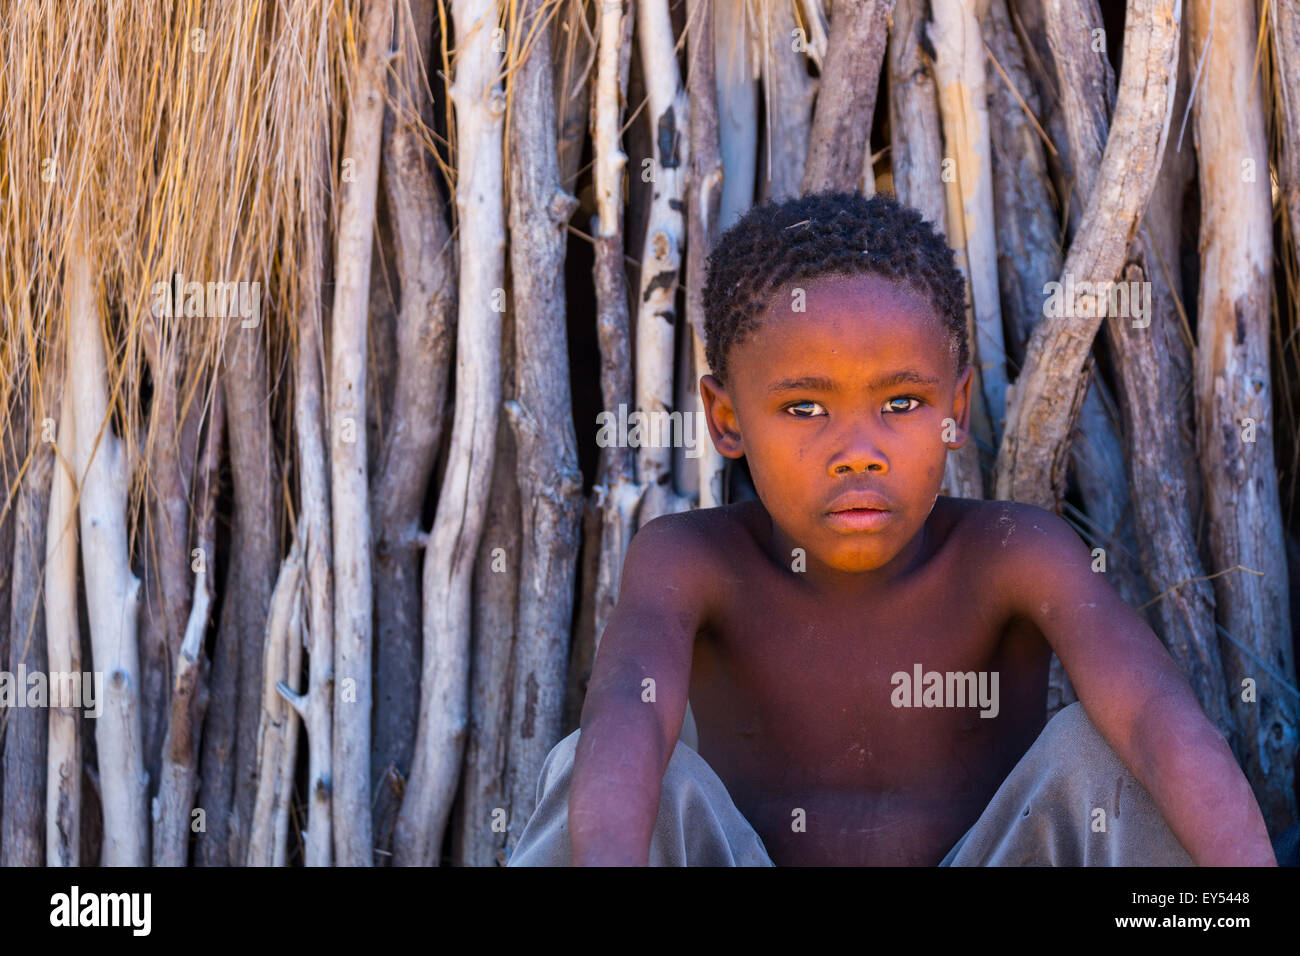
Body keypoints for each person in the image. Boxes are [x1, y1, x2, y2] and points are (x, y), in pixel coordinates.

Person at [509, 191, 1277, 866]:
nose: (858, 455)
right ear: (726, 418)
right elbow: (628, 720)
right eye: (805, 407)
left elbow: (1152, 718)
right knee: (598, 767)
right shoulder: (692, 561)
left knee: (1099, 755)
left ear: (955, 408)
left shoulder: (1014, 556)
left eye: (903, 403)